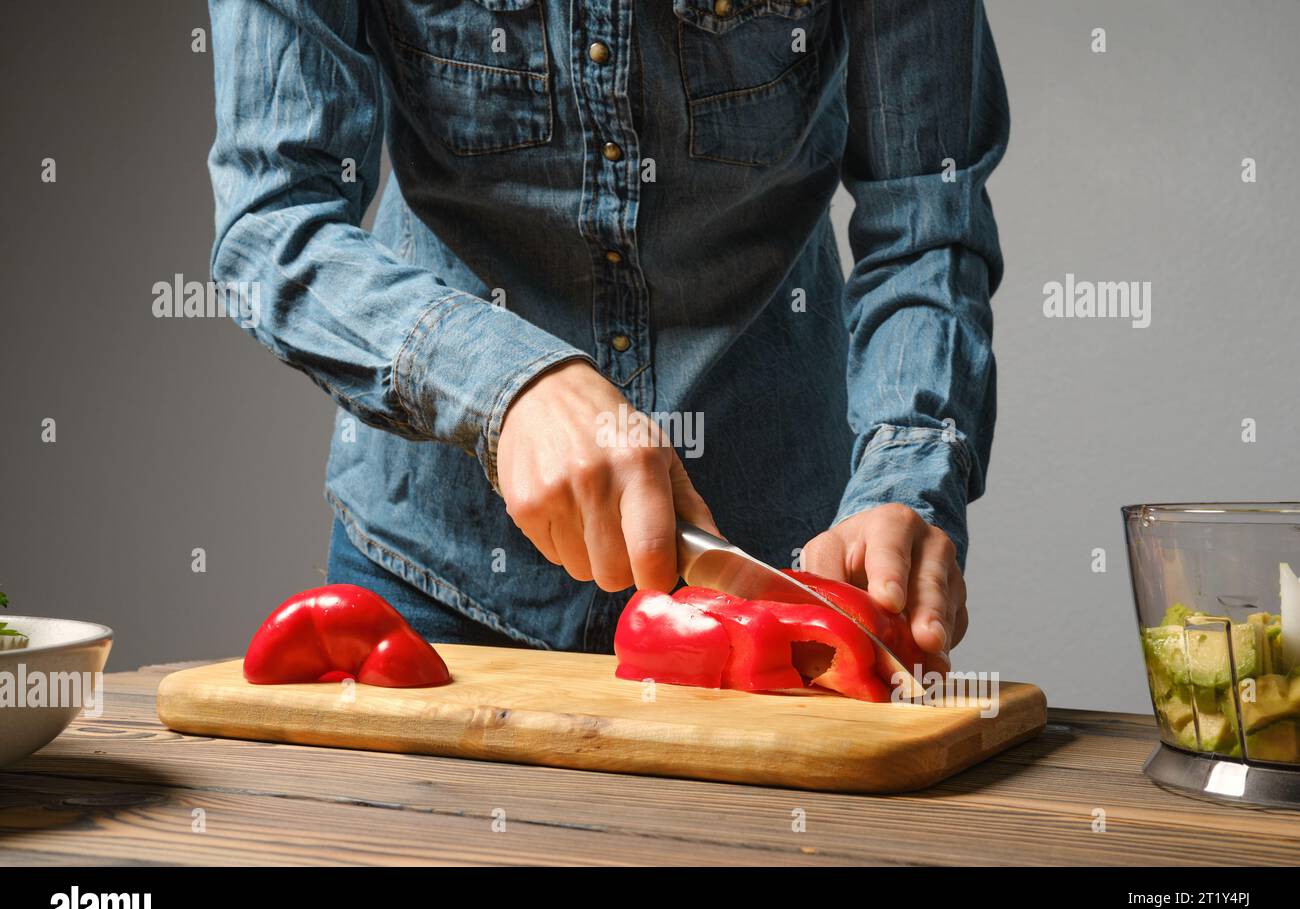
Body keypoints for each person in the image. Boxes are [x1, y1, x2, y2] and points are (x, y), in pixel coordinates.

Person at [207, 0, 1007, 671]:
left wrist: (910, 466)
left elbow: (926, 217)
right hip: (428, 582)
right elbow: (274, 219)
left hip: (773, 588)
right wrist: (503, 384)